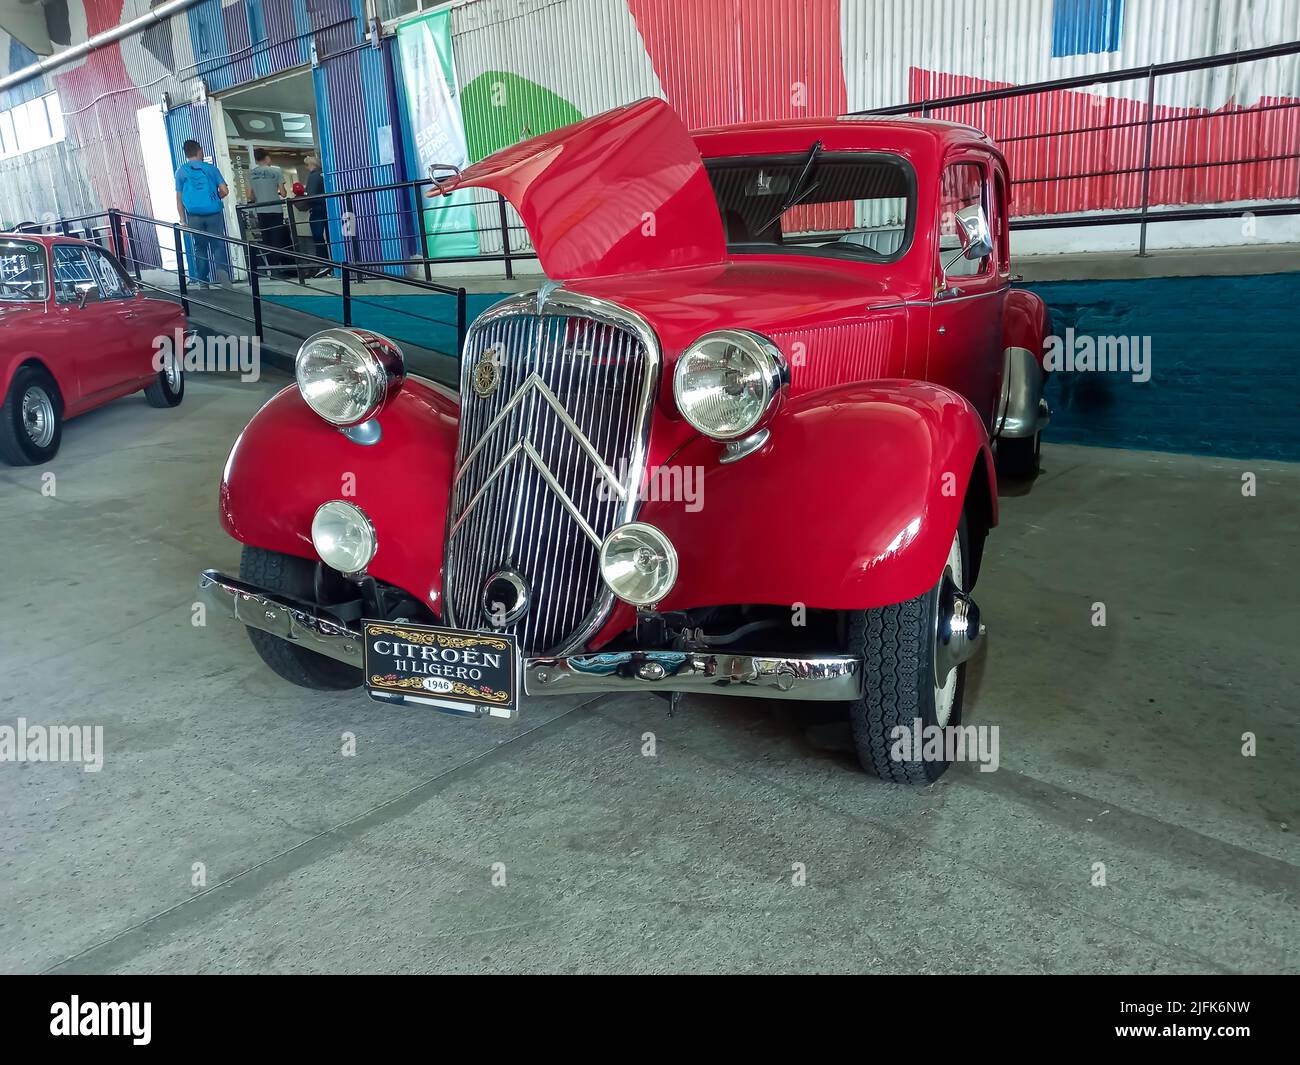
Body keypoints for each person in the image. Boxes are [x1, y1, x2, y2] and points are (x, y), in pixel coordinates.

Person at [174, 139, 230, 288]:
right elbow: (224, 190)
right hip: (214, 214)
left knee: (200, 247)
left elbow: (179, 198)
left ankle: (203, 283)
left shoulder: (180, 172)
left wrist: (182, 220)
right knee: (218, 245)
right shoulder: (211, 169)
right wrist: (215, 198)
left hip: (193, 216)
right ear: (199, 151)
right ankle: (224, 280)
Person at [247, 147, 289, 275]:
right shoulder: (276, 171)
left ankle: (272, 270)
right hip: (275, 210)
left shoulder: (251, 174)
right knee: (277, 240)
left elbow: (250, 196)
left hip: (261, 210)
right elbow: (283, 193)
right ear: (266, 158)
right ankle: (279, 269)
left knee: (267, 240)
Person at [302, 154, 330, 275]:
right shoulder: (324, 175)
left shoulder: (313, 177)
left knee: (318, 237)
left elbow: (310, 195)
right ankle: (331, 263)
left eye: (307, 165)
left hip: (317, 210)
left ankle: (322, 263)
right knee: (330, 237)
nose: (306, 168)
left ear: (311, 165)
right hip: (328, 208)